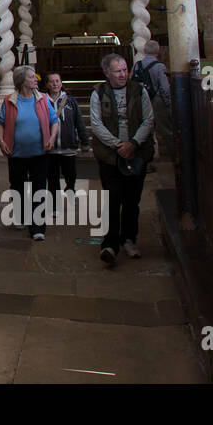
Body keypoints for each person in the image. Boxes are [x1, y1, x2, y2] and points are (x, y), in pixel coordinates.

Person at [89, 53, 154, 266]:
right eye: (117, 71)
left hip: (136, 152)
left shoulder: (139, 90)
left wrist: (133, 143)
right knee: (113, 197)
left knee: (132, 199)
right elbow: (96, 124)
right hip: (110, 156)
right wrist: (118, 145)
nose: (123, 74)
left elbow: (148, 119)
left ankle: (129, 239)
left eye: (125, 69)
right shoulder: (98, 93)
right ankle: (109, 244)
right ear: (107, 73)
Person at [0, 64, 59, 240]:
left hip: (40, 152)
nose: (36, 79)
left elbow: (54, 121)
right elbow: (1, 122)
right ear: (22, 80)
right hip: (16, 153)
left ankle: (38, 227)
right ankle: (20, 216)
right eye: (32, 77)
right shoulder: (10, 100)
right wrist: (1, 141)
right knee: (18, 186)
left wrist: (52, 137)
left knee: (39, 188)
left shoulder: (43, 99)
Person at [44, 72, 86, 199]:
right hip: (51, 148)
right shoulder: (43, 101)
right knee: (52, 178)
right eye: (52, 81)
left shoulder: (71, 101)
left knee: (70, 175)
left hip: (68, 146)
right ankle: (55, 205)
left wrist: (85, 142)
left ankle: (70, 189)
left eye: (57, 81)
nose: (55, 84)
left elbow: (79, 122)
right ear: (47, 84)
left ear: (61, 83)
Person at [133, 39, 172, 163]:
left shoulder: (137, 65)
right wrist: (169, 103)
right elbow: (165, 88)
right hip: (157, 101)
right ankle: (174, 157)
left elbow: (132, 84)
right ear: (158, 51)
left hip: (141, 101)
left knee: (145, 131)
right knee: (165, 129)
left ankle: (146, 160)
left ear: (144, 51)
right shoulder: (160, 66)